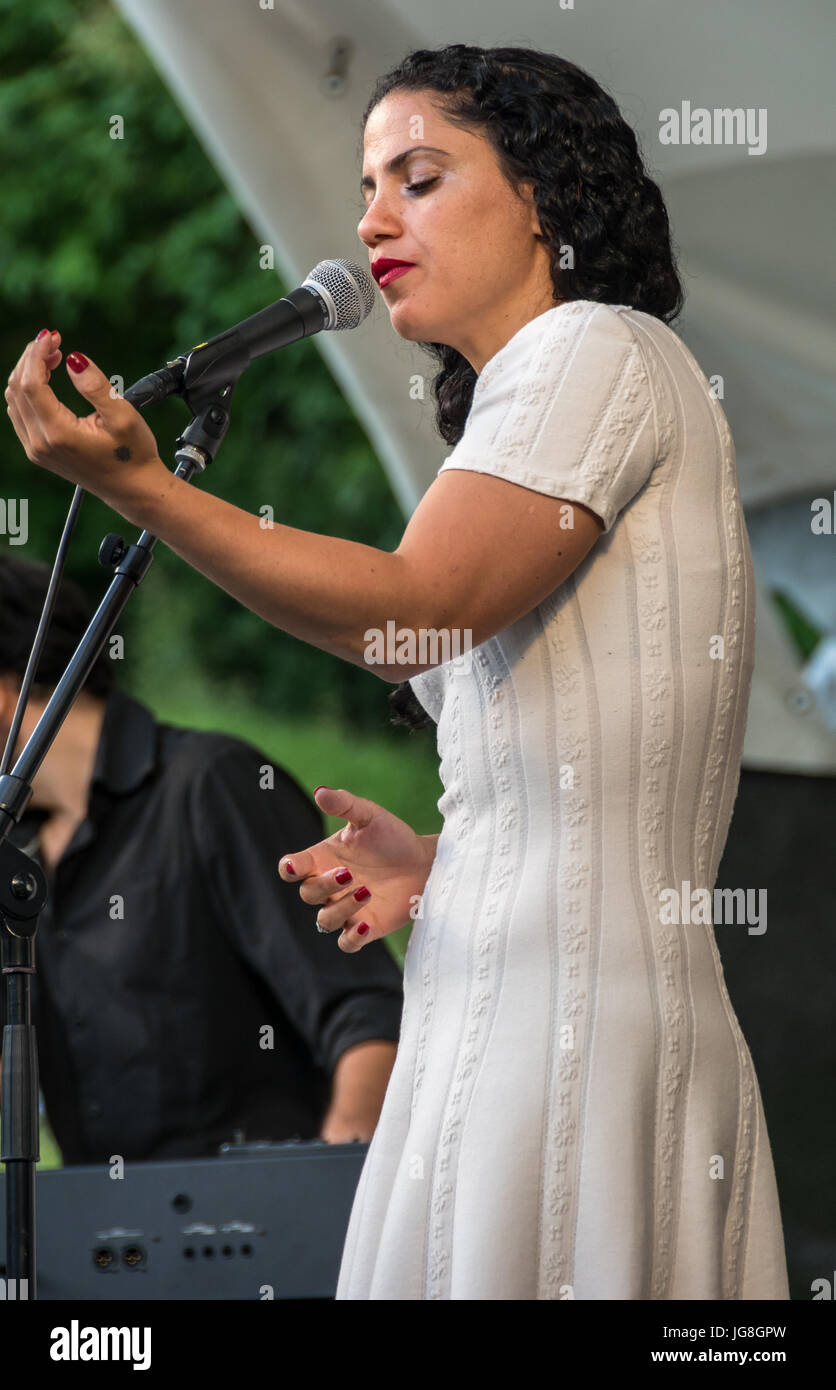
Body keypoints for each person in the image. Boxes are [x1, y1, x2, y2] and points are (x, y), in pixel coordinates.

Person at [4, 42, 790, 1298]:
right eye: (365, 185)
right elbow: (572, 758)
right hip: (491, 1011)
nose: (368, 220)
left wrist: (143, 490)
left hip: (567, 1032)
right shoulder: (523, 411)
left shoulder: (597, 348)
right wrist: (454, 864)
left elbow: (413, 614)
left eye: (415, 178)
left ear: (541, 193)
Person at [0, 554, 402, 1163]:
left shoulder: (211, 785)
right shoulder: (18, 856)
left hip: (263, 1228)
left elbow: (362, 1008)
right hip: (106, 1242)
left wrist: (329, 1195)